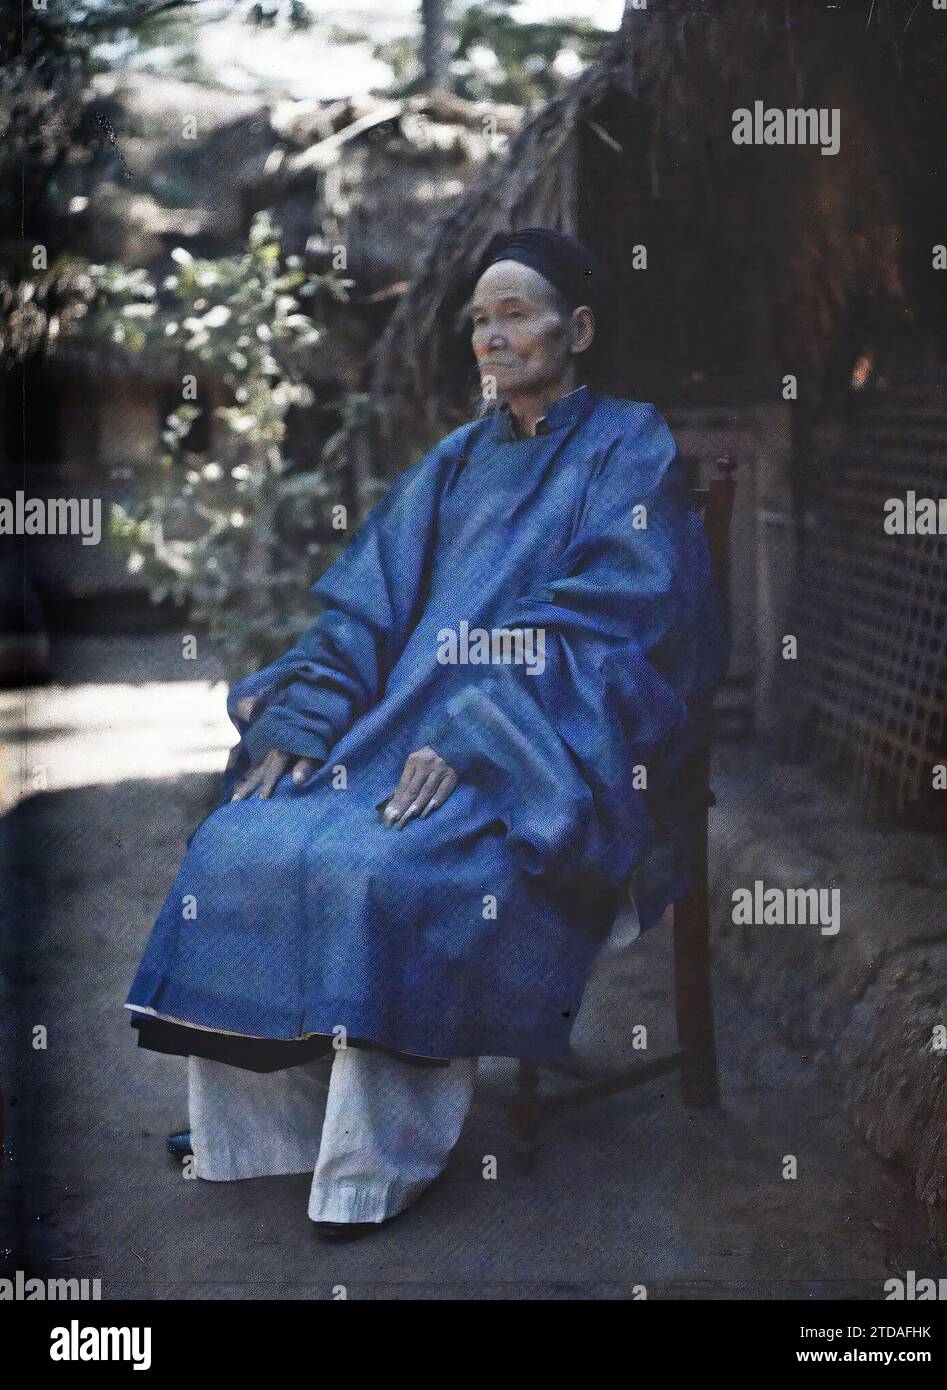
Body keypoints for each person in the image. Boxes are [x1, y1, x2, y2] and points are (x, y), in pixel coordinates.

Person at [125, 227, 729, 1239]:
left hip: (539, 755)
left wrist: (483, 734)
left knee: (386, 871)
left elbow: (625, 626)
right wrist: (311, 712)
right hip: (390, 741)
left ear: (577, 329)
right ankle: (270, 1134)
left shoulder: (631, 445)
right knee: (240, 837)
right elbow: (367, 607)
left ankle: (372, 1165)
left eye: (517, 314)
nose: (491, 338)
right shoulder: (453, 461)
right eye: (480, 320)